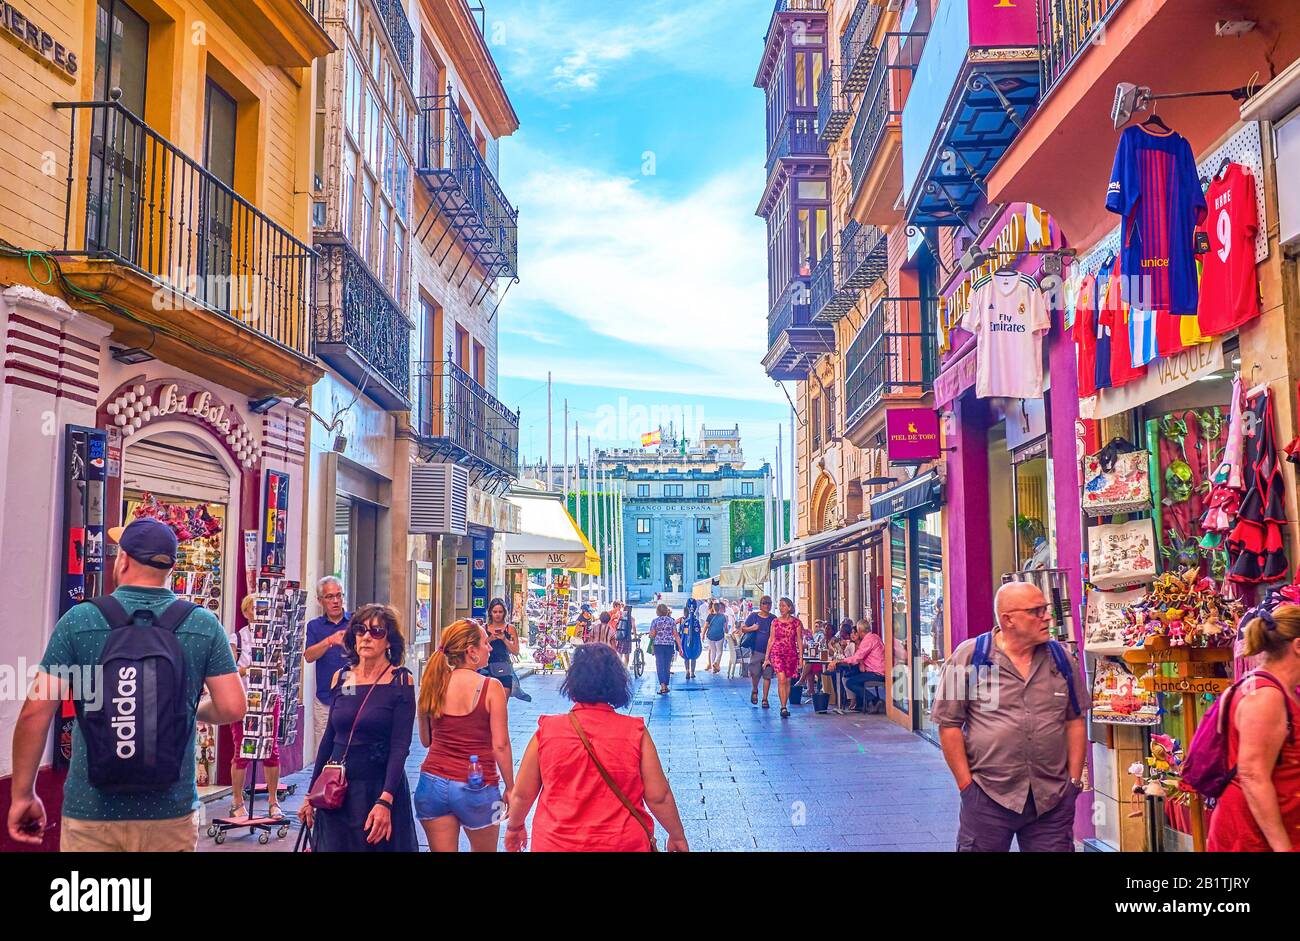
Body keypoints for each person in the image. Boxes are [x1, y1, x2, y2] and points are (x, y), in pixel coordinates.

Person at [7, 519, 246, 850]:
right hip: (171, 812)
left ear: (123, 559)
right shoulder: (202, 624)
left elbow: (36, 713)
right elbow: (233, 707)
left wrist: (23, 794)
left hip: (91, 812)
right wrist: (190, 710)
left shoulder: (80, 620)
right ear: (171, 568)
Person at [931, 582, 1085, 852]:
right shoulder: (968, 658)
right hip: (988, 797)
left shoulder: (1061, 659)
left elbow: (1074, 720)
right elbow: (949, 724)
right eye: (1036, 611)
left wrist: (1072, 782)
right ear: (1008, 619)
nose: (1047, 616)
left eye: (1045, 609)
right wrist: (967, 787)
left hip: (1051, 800)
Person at [504, 644, 689, 852]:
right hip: (622, 843)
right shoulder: (635, 732)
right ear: (618, 682)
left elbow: (522, 794)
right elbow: (659, 796)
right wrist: (677, 835)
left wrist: (514, 827)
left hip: (557, 842)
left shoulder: (547, 731)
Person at [299, 604, 418, 852]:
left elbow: (400, 746)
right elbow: (330, 737)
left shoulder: (400, 681)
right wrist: (311, 794)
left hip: (377, 788)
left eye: (376, 632)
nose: (366, 637)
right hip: (337, 790)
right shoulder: (342, 677)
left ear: (389, 641)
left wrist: (385, 799)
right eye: (361, 630)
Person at [413, 618, 515, 852]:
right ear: (471, 652)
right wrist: (511, 787)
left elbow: (426, 741)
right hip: (477, 786)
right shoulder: (492, 687)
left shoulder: (433, 683)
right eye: (485, 643)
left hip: (432, 784)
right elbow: (501, 745)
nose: (489, 647)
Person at [1206, 604, 1300, 852]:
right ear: (1298, 646)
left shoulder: (1278, 689)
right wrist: (1282, 847)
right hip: (1253, 836)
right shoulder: (1266, 696)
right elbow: (1252, 775)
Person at [228, 595, 283, 820]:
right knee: (241, 750)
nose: (258, 612)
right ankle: (237, 800)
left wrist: (276, 667)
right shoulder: (237, 638)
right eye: (253, 608)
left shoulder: (273, 638)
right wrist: (252, 670)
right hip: (244, 698)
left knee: (271, 749)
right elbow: (231, 669)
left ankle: (273, 801)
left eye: (262, 609)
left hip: (269, 697)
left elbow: (280, 670)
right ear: (246, 611)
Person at [304, 576, 351, 742]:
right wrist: (329, 641)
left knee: (349, 748)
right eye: (330, 597)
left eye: (339, 595)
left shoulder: (355, 622)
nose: (336, 601)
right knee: (323, 750)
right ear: (320, 600)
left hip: (351, 697)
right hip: (325, 699)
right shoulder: (314, 626)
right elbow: (309, 656)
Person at [829, 620, 886, 713]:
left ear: (859, 630)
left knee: (850, 682)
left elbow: (856, 658)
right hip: (879, 670)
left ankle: (875, 701)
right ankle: (861, 704)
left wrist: (838, 661)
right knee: (851, 675)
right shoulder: (875, 637)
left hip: (877, 673)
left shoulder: (868, 640)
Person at [764, 598, 804, 719]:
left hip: (791, 654)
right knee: (781, 678)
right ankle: (783, 707)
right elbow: (771, 639)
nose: (781, 608)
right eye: (780, 606)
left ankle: (784, 704)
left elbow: (799, 640)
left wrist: (801, 658)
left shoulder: (796, 623)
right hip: (777, 652)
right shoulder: (775, 622)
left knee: (787, 681)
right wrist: (767, 657)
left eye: (784, 606)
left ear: (790, 608)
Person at [743, 596, 776, 708]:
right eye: (764, 603)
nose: (767, 605)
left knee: (767, 675)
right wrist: (752, 628)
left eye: (769, 603)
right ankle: (755, 689)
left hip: (770, 653)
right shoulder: (753, 616)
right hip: (756, 651)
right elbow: (742, 628)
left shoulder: (773, 618)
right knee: (755, 674)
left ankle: (765, 699)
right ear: (760, 605)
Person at [483, 598, 520, 698]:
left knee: (502, 702)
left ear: (504, 613)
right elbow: (479, 648)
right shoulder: (483, 628)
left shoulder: (510, 628)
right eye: (495, 612)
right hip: (486, 668)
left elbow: (516, 651)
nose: (498, 614)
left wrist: (504, 639)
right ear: (490, 613)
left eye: (500, 612)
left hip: (504, 668)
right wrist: (490, 639)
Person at [650, 604, 682, 695]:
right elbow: (675, 635)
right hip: (669, 645)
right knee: (667, 666)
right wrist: (680, 647)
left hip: (658, 646)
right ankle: (666, 685)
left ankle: (663, 686)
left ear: (658, 612)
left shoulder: (655, 621)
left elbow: (652, 635)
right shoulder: (671, 621)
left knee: (660, 665)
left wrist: (651, 635)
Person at [678, 599, 703, 679]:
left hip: (685, 641)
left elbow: (681, 631)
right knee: (693, 657)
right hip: (694, 641)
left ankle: (687, 671)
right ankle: (692, 672)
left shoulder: (684, 621)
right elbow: (698, 631)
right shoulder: (696, 621)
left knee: (686, 657)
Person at [704, 601, 728, 674]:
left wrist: (702, 635)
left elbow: (705, 626)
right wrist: (727, 632)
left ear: (713, 608)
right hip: (720, 635)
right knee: (720, 651)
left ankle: (712, 667)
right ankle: (716, 663)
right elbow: (725, 628)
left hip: (710, 635)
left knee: (713, 651)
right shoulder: (723, 616)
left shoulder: (709, 616)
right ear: (719, 608)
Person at [615, 601, 636, 667]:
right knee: (626, 656)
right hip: (627, 639)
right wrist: (635, 636)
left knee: (620, 655)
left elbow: (616, 626)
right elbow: (634, 628)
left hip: (620, 637)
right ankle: (625, 669)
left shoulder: (620, 617)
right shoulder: (632, 619)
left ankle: (619, 669)